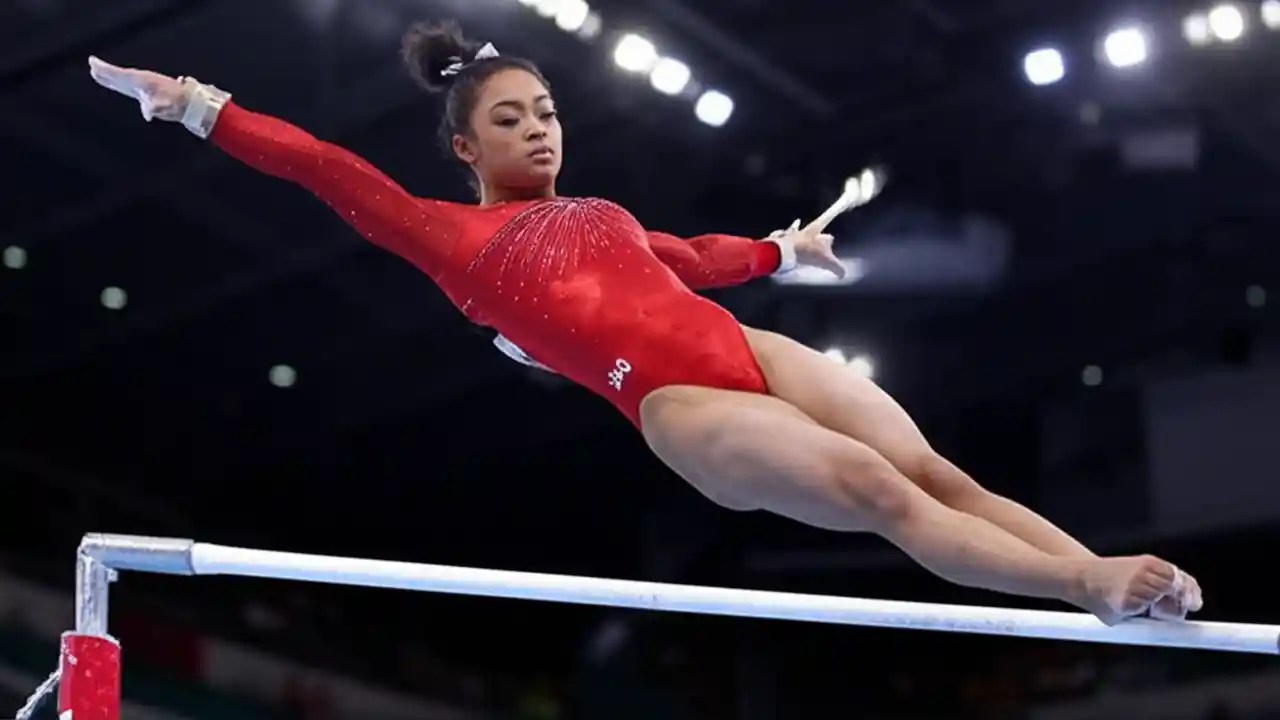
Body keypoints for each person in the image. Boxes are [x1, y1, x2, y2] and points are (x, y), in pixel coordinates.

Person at [87, 20, 1202, 626]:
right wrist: (193, 105)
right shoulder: (443, 236)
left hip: (744, 348)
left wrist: (779, 252)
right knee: (880, 494)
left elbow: (686, 260)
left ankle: (1110, 569)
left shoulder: (601, 210)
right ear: (465, 149)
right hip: (682, 408)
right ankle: (1084, 591)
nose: (538, 131)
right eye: (509, 120)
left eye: (548, 112)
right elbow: (321, 166)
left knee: (931, 465)